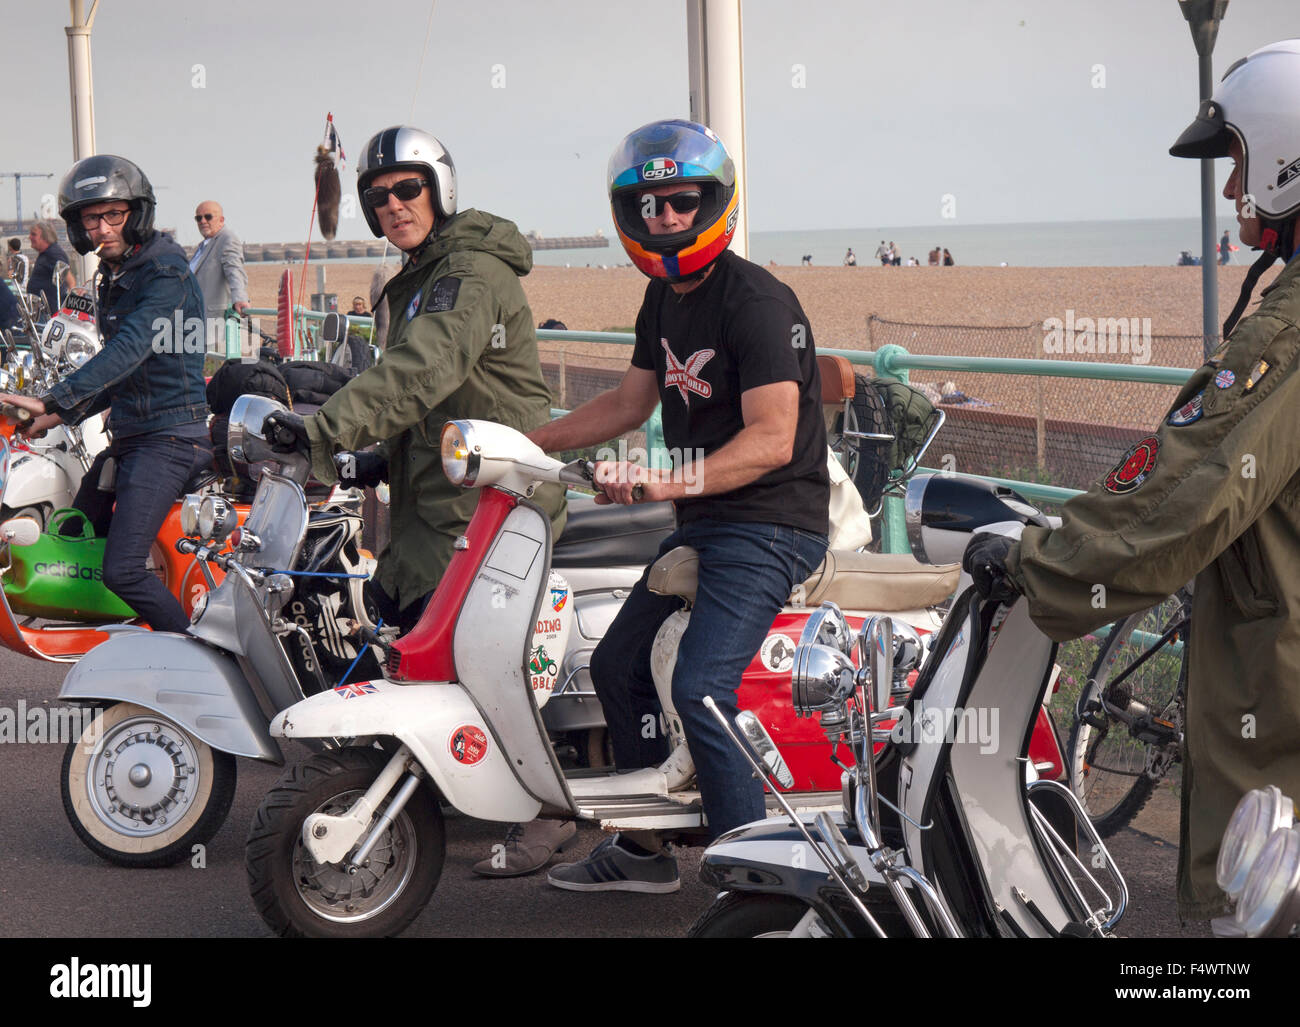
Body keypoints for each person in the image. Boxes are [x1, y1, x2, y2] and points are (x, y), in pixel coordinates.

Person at [962, 39, 1300, 921]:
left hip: (1283, 686)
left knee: (1255, 913)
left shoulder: (1287, 334)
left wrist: (1042, 558)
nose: (1231, 192)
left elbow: (1188, 489)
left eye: (1236, 163)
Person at [523, 119, 829, 893]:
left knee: (700, 687)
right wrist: (530, 443)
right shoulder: (662, 298)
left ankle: (752, 878)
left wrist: (663, 482)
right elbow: (629, 402)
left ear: (713, 204)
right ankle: (643, 848)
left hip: (772, 526)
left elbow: (770, 439)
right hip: (707, 523)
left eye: (681, 201)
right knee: (619, 662)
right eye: (647, 204)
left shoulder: (757, 301)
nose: (663, 218)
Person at [263, 124, 565, 637]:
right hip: (439, 504)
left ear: (439, 190)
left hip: (486, 510)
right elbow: (436, 403)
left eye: (408, 189)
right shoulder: (427, 272)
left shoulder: (467, 274)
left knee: (438, 678)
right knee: (373, 631)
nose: (394, 205)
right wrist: (378, 458)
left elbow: (423, 369)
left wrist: (323, 430)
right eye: (380, 196)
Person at [0, 155, 212, 633]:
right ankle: (122, 650)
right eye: (90, 218)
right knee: (76, 533)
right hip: (134, 435)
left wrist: (53, 400)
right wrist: (50, 418)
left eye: (113, 214)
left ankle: (201, 658)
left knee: (121, 569)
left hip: (170, 439)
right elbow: (123, 375)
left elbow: (130, 348)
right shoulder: (117, 273)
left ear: (135, 213)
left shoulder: (164, 273)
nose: (102, 228)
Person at [189, 200, 249, 348]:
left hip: (215, 329)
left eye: (208, 216)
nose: (203, 221)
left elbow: (234, 269)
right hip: (195, 325)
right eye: (198, 218)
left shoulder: (227, 239)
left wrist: (240, 298)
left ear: (221, 219)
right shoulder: (203, 247)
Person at [26, 220, 75, 313]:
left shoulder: (54, 254)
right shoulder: (46, 254)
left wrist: (65, 309)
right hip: (40, 310)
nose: (30, 237)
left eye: (34, 234)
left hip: (49, 312)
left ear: (45, 237)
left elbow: (70, 281)